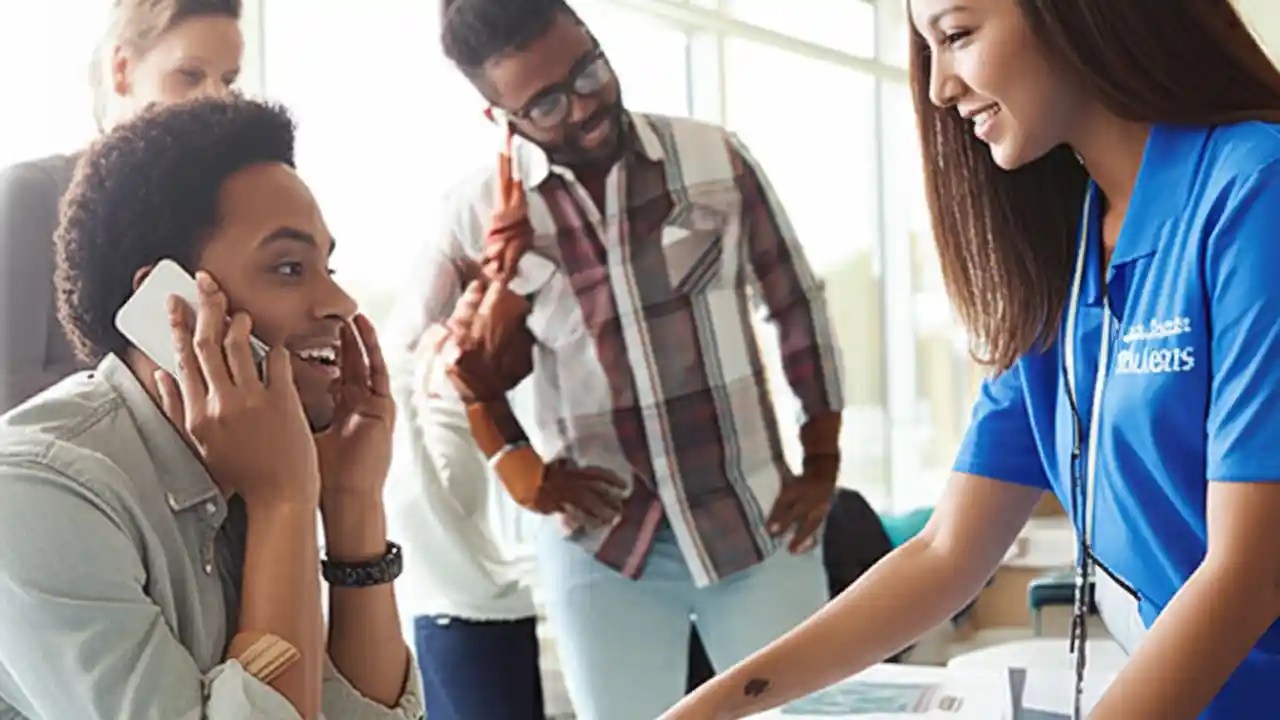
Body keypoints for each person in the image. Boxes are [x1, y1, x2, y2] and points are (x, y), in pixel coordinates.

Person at [661, 1, 1280, 719]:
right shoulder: (1065, 258)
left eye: (955, 36)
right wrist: (708, 708)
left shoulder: (1254, 190)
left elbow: (1249, 572)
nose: (938, 89)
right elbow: (946, 553)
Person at [394, 1, 847, 718]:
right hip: (601, 548)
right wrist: (514, 461)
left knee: (807, 717)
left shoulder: (715, 161)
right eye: (545, 102)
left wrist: (821, 454)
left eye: (588, 69)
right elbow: (417, 358)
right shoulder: (476, 214)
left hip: (758, 521)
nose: (583, 106)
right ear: (501, 118)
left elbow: (796, 302)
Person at [0, 95, 423, 720]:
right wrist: (284, 503)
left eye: (327, 266)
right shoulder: (34, 493)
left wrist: (353, 502)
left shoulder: (250, 463)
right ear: (171, 309)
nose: (341, 302)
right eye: (288, 267)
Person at [0, 0, 244, 415]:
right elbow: (8, 392)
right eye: (190, 75)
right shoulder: (32, 195)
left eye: (228, 80)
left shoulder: (214, 216)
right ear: (122, 68)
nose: (216, 100)